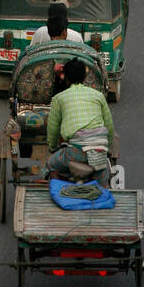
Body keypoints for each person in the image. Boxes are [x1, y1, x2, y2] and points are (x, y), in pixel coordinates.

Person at [46, 56, 114, 188]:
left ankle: (61, 193)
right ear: (84, 77)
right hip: (100, 150)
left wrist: (53, 148)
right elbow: (109, 126)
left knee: (51, 164)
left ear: (66, 77)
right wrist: (108, 147)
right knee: (102, 181)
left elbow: (53, 130)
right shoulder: (98, 95)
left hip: (76, 152)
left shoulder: (59, 98)